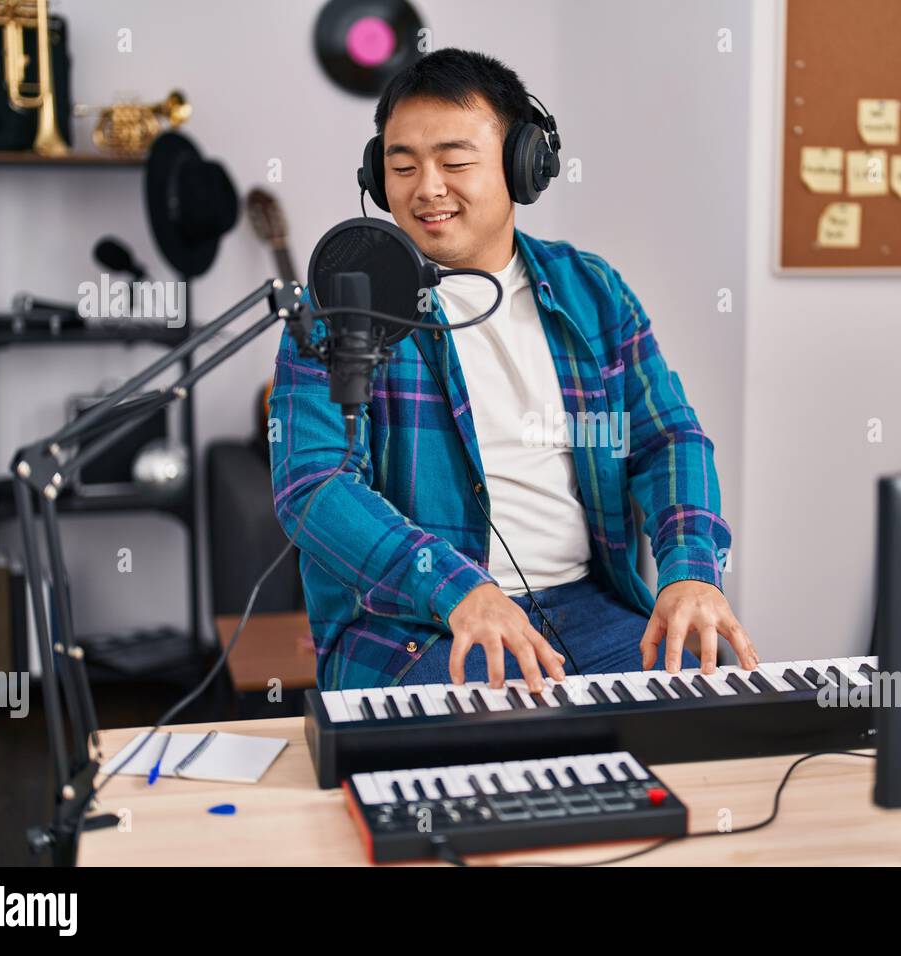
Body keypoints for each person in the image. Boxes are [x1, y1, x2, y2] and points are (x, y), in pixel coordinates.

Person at [270, 48, 757, 693]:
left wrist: (691, 569)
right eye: (403, 165)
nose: (427, 188)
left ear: (523, 165)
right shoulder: (343, 300)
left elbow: (667, 441)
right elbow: (313, 483)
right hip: (421, 630)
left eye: (455, 161)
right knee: (516, 736)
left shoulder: (593, 291)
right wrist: (456, 589)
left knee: (719, 703)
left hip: (592, 609)